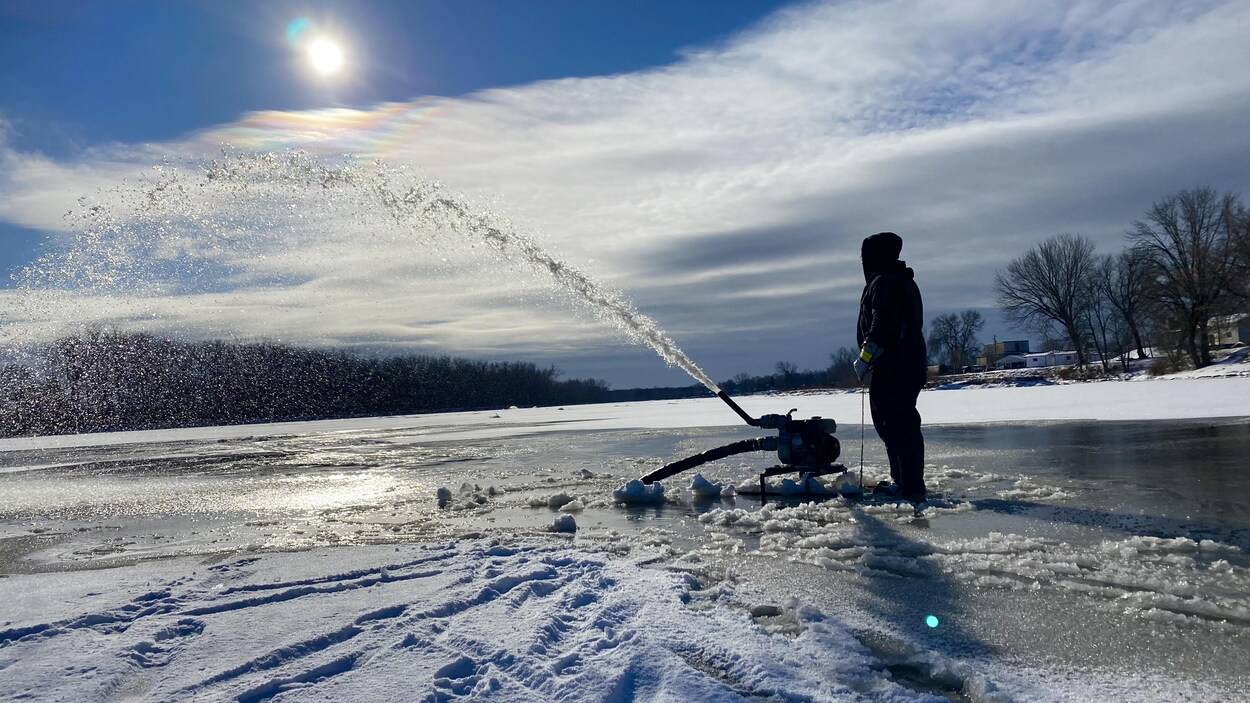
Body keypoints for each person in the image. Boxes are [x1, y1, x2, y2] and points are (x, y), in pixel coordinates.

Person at [852, 231, 927, 501]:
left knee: (896, 424)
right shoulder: (902, 282)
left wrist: (866, 357)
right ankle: (904, 480)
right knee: (895, 423)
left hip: (895, 366)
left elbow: (882, 325)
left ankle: (910, 486)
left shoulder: (885, 283)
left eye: (865, 258)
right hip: (907, 365)